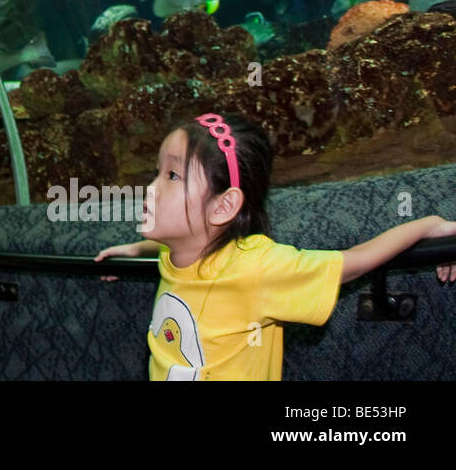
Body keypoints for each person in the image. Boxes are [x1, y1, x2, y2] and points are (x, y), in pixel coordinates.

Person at [95, 112, 456, 380]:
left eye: (172, 176)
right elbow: (170, 246)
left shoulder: (256, 267)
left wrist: (430, 225)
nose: (151, 188)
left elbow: (356, 262)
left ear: (223, 206)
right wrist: (134, 248)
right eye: (156, 172)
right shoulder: (177, 254)